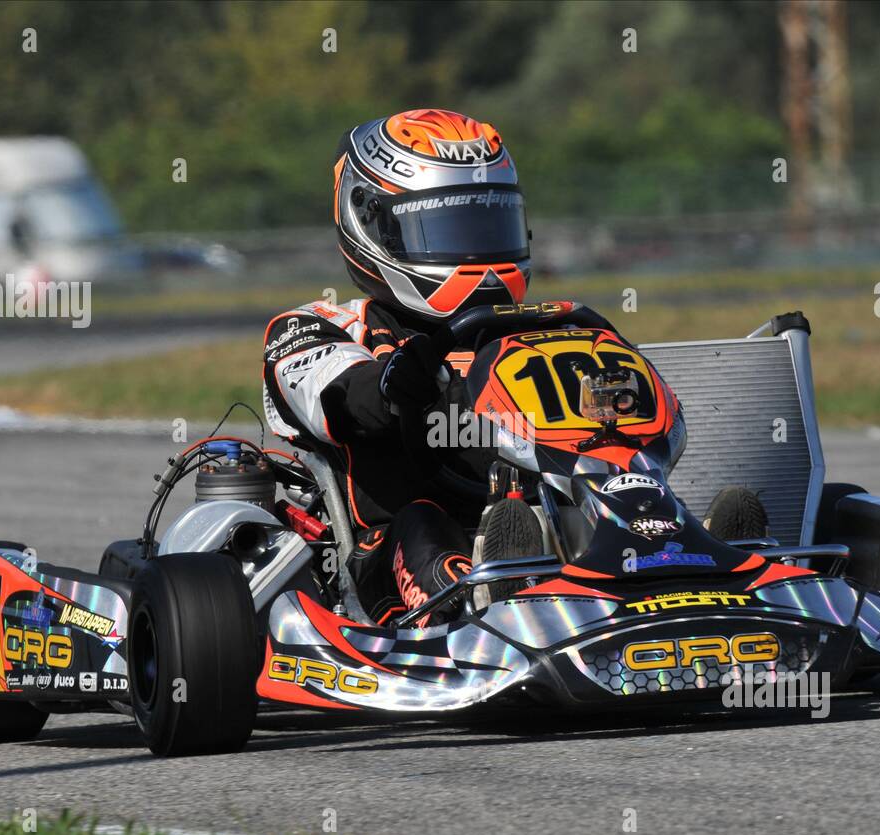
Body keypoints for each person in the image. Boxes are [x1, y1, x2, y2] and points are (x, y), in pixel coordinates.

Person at [262, 109, 764, 624]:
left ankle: (709, 562)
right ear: (371, 223)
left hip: (552, 525)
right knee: (422, 521)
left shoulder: (550, 331)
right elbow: (341, 400)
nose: (477, 250)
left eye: (488, 223)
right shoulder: (321, 326)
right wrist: (395, 385)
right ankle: (482, 606)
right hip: (396, 558)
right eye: (447, 227)